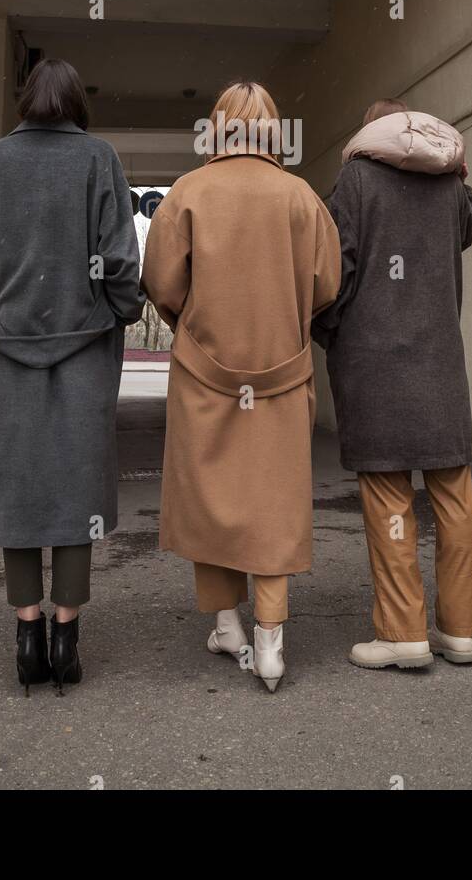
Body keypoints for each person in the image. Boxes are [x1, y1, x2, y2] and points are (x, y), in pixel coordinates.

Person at [141, 81, 341, 691]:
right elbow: (328, 284)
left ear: (218, 126)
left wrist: (192, 329)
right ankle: (271, 638)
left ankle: (227, 622)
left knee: (211, 496)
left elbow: (161, 283)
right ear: (274, 130)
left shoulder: (188, 192)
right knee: (273, 501)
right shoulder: (301, 197)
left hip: (204, 373)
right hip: (283, 376)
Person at [0, 58, 144, 694]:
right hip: (85, 349)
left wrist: (10, 307)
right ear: (76, 102)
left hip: (8, 345)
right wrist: (119, 310)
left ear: (26, 101)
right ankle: (65, 634)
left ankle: (25, 632)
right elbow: (120, 259)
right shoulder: (98, 158)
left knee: (15, 482)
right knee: (77, 484)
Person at [312, 98, 472, 670]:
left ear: (370, 132)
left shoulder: (357, 179)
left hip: (375, 363)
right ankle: (459, 631)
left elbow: (336, 269)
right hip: (441, 361)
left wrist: (328, 331)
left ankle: (402, 632)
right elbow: (466, 230)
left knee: (389, 496)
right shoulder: (453, 186)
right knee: (454, 496)